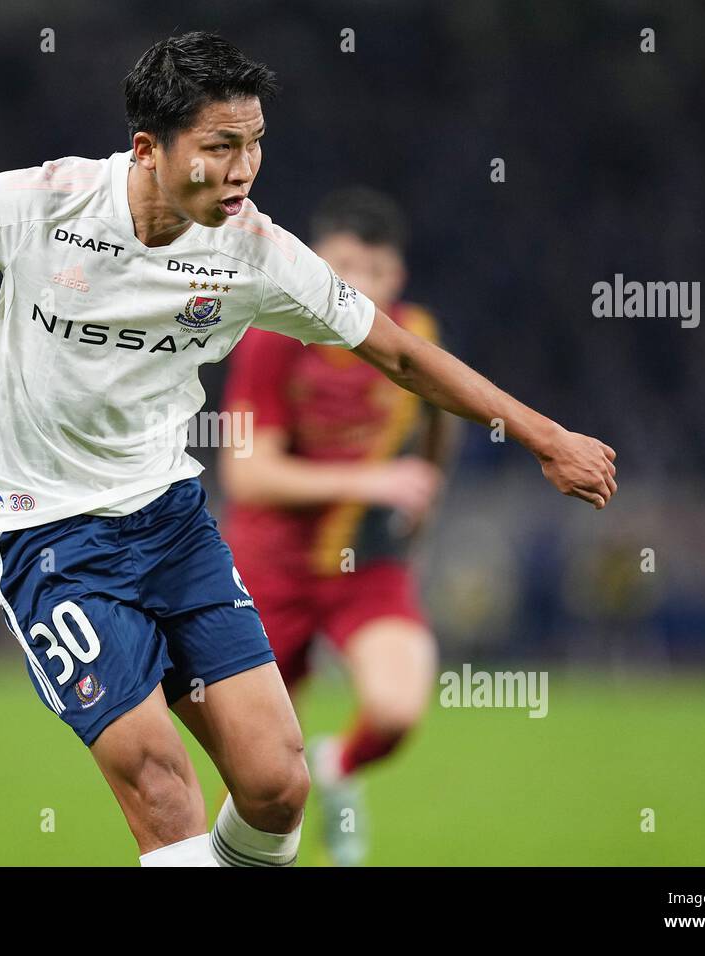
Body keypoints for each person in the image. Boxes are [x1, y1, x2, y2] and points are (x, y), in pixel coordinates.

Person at [0, 31, 617, 867]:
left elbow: (397, 351)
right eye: (219, 145)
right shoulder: (42, 202)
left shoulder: (257, 255)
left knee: (277, 785)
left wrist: (546, 437)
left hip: (169, 523)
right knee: (165, 792)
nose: (241, 170)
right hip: (49, 536)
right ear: (148, 148)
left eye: (256, 144)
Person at [221, 186, 454, 865]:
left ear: (397, 277)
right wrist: (372, 481)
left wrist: (425, 491)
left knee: (396, 709)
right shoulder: (270, 336)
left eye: (374, 270)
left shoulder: (416, 337)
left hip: (367, 564)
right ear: (314, 262)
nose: (357, 284)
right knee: (262, 777)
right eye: (343, 266)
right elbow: (246, 475)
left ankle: (340, 766)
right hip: (270, 568)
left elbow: (439, 417)